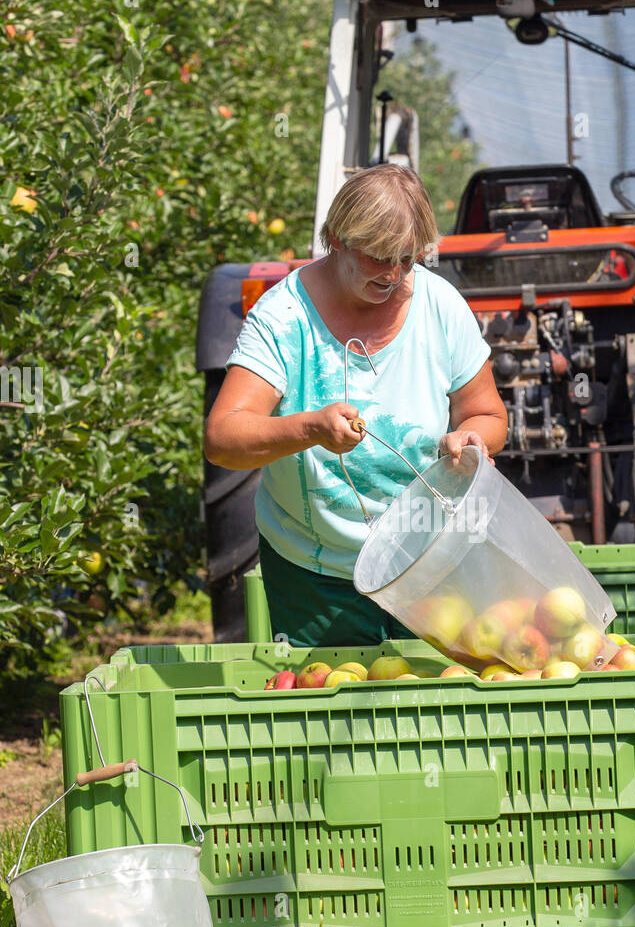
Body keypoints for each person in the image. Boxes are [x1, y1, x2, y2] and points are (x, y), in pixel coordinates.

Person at [204, 165, 508, 646]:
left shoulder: (440, 306)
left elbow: (488, 416)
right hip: (317, 574)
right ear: (336, 238)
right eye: (378, 257)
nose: (393, 274)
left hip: (429, 560)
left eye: (407, 259)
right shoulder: (285, 317)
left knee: (437, 711)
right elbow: (223, 440)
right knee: (328, 710)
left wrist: (470, 437)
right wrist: (309, 430)